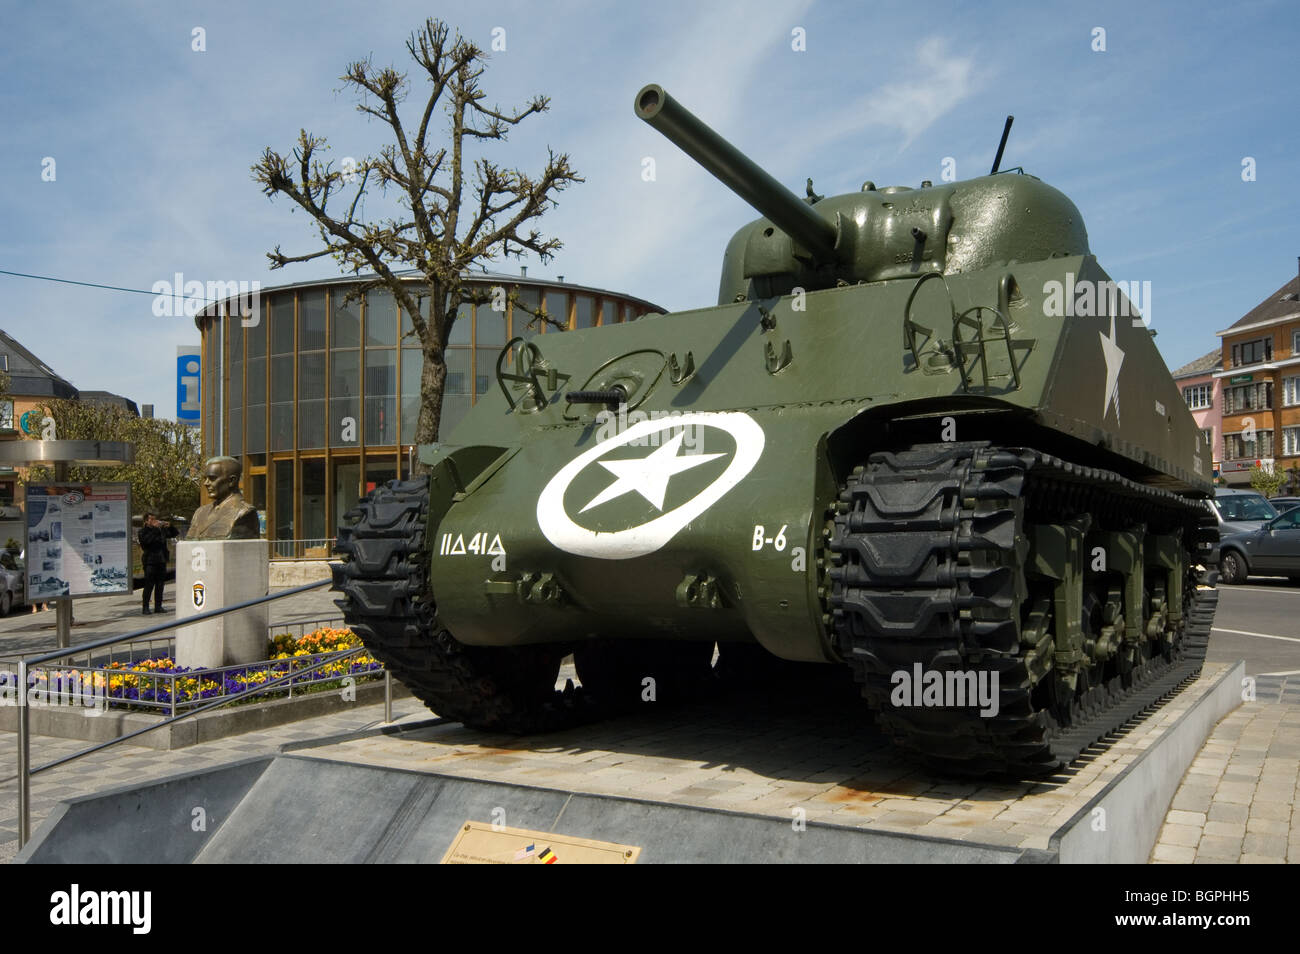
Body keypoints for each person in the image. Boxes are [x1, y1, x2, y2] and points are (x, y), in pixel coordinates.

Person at [188, 457, 260, 540]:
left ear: (231, 481)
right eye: (205, 479)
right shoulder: (200, 512)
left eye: (212, 478)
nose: (206, 483)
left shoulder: (244, 512)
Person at [138, 512, 178, 614]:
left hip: (161, 560)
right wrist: (156, 529)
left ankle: (158, 606)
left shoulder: (160, 531)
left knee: (160, 585)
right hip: (150, 561)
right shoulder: (143, 531)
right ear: (146, 521)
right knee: (149, 585)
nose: (154, 521)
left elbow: (174, 533)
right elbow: (147, 541)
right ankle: (145, 607)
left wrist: (170, 526)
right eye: (151, 519)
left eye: (154, 519)